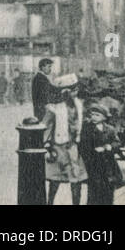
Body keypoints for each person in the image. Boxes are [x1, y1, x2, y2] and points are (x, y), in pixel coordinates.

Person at [42, 74, 87, 205]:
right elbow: (46, 127)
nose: (75, 93)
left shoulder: (79, 105)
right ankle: (49, 202)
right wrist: (45, 146)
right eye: (72, 90)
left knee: (76, 178)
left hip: (74, 147)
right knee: (55, 179)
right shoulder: (54, 108)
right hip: (58, 146)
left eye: (76, 89)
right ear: (64, 92)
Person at [79, 101, 120, 205]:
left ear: (104, 117)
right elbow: (83, 146)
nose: (94, 117)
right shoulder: (87, 129)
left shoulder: (110, 129)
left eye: (97, 115)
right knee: (94, 191)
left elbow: (117, 142)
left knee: (109, 190)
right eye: (92, 115)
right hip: (94, 164)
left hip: (109, 165)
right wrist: (93, 151)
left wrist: (110, 146)